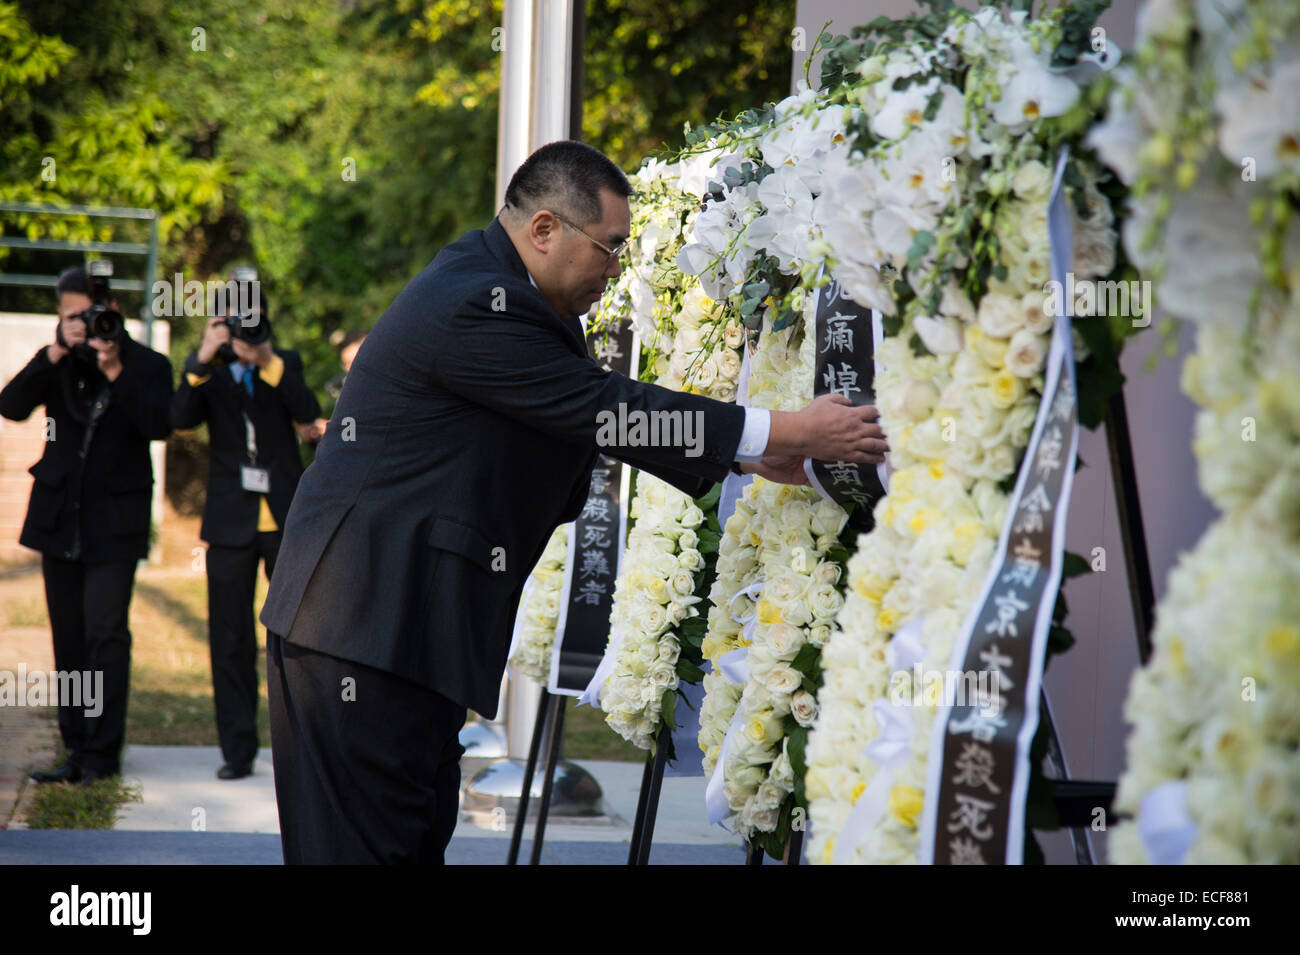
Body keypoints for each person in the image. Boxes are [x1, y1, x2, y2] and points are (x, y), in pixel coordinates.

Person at [259, 140, 888, 864]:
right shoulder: (476, 301)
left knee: (403, 840)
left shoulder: (497, 286)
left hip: (392, 629)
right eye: (610, 246)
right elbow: (604, 407)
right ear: (545, 228)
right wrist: (791, 430)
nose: (616, 268)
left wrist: (752, 455)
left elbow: (587, 416)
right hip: (365, 628)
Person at [0, 266, 172, 784]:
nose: (84, 323)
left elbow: (159, 425)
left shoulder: (148, 365)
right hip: (61, 521)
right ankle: (75, 747)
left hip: (115, 526)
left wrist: (114, 368)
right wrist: (55, 350)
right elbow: (11, 406)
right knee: (69, 638)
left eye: (91, 313)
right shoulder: (60, 359)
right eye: (71, 315)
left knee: (105, 633)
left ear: (112, 309)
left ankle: (103, 753)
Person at [171, 285, 321, 779]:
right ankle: (237, 750)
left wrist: (268, 361)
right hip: (229, 521)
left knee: (295, 635)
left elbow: (307, 412)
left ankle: (300, 746)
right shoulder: (208, 371)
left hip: (283, 520)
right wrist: (201, 357)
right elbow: (179, 418)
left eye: (251, 320)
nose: (243, 331)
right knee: (230, 638)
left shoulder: (284, 364)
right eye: (234, 322)